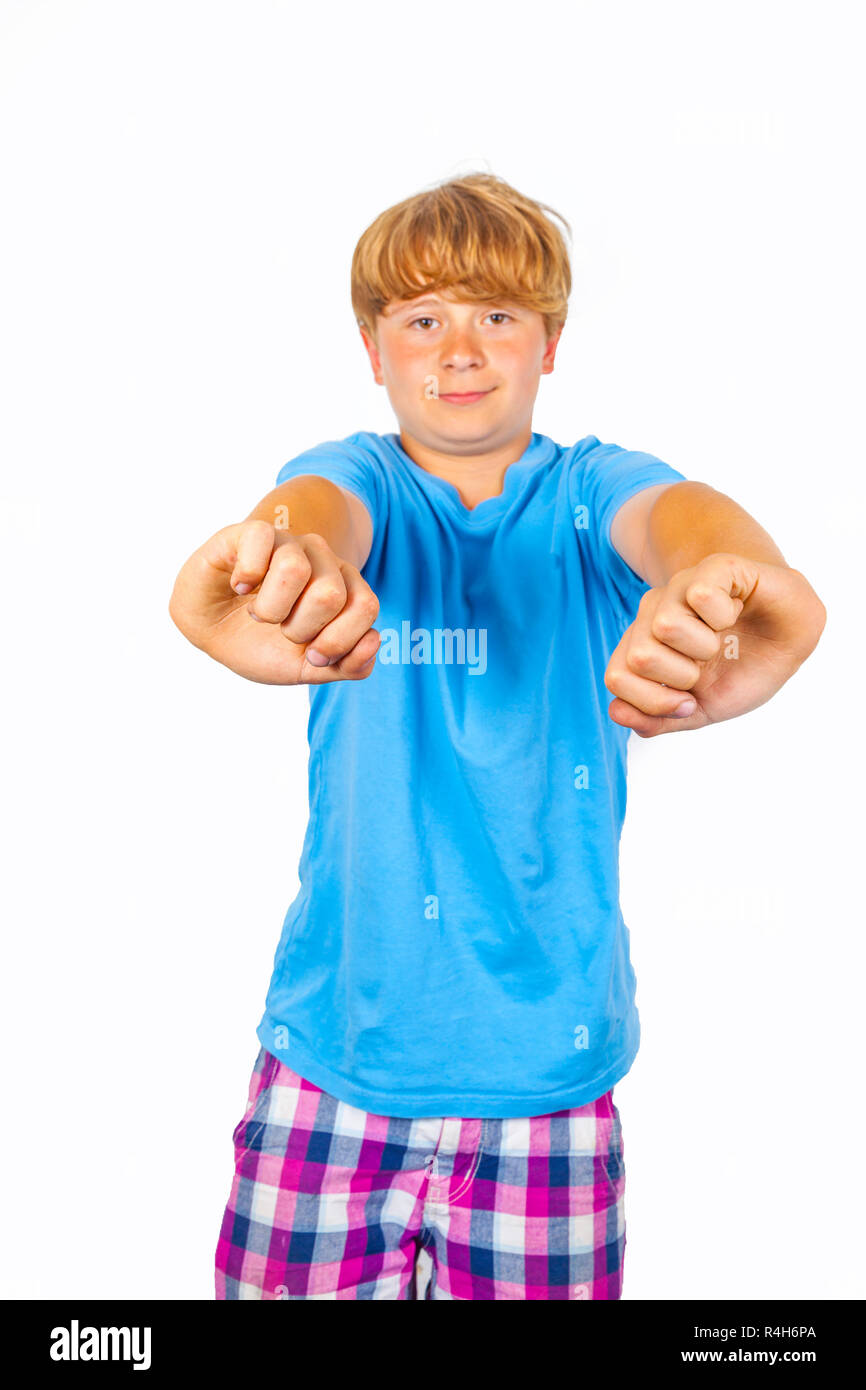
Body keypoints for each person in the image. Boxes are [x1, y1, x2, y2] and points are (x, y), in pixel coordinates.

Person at [168, 172, 826, 1300]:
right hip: (333, 1064)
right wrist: (282, 555)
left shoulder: (586, 490)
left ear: (549, 345)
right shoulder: (360, 478)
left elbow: (679, 514)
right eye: (422, 319)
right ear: (374, 352)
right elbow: (312, 509)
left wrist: (728, 573)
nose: (459, 349)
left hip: (550, 1082)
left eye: (496, 316)